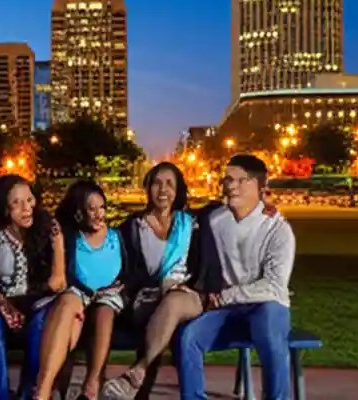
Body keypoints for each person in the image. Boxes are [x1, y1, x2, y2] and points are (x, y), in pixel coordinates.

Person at [104, 154, 296, 400]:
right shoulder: (214, 220)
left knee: (269, 332)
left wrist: (225, 296)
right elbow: (183, 217)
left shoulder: (278, 230)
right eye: (228, 179)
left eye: (240, 180)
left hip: (266, 306)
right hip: (226, 310)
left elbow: (273, 285)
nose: (231, 185)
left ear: (260, 187)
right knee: (188, 337)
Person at [101, 163, 194, 400]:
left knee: (170, 304)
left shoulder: (191, 224)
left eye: (170, 184)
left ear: (178, 189)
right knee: (156, 313)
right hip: (147, 299)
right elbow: (126, 272)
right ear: (148, 188)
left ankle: (136, 377)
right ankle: (137, 384)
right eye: (156, 183)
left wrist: (264, 204)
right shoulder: (133, 227)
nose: (163, 190)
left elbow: (223, 209)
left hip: (184, 298)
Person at [33, 180, 125, 400]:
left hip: (109, 297)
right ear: (78, 212)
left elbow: (131, 271)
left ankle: (91, 385)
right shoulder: (70, 237)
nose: (98, 214)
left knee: (106, 310)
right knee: (70, 308)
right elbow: (65, 275)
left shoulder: (116, 236)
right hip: (78, 294)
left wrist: (121, 285)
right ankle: (47, 390)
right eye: (91, 209)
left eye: (101, 207)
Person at [0, 174, 66, 400]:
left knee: (41, 326)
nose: (26, 208)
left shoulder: (50, 230)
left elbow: (58, 281)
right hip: (2, 302)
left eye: (29, 199)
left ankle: (30, 393)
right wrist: (6, 308)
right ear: (5, 208)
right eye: (16, 203)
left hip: (40, 300)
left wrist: (28, 299)